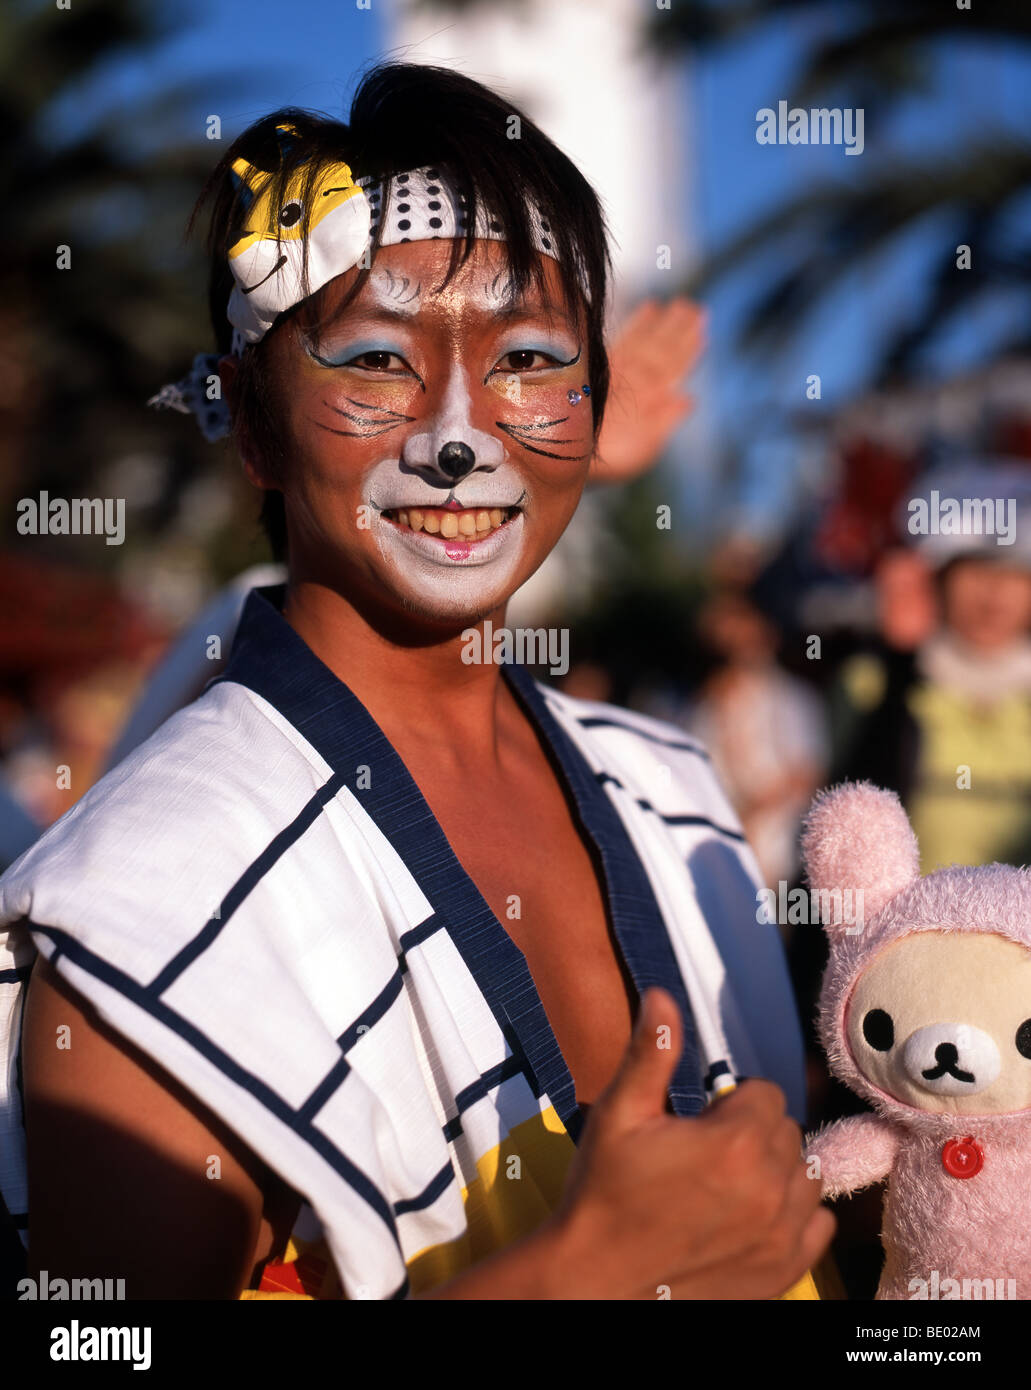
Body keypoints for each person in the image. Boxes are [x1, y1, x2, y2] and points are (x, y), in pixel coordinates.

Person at [0, 62, 831, 1300]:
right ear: (255, 421)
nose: (460, 434)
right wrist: (579, 1279)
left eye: (530, 358)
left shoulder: (672, 793)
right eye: (377, 360)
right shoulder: (151, 896)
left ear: (595, 408)